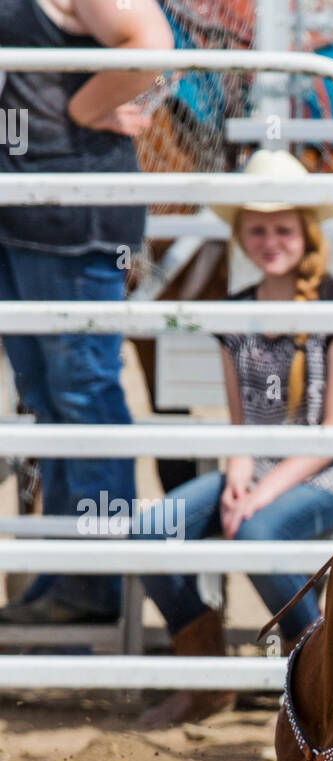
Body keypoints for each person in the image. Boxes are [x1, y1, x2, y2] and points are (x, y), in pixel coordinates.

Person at [134, 148, 333, 729]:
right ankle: (207, 673)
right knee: (149, 529)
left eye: (283, 228)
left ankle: (317, 670)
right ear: (242, 237)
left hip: (330, 474)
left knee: (260, 532)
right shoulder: (235, 312)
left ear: (305, 233)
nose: (271, 240)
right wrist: (239, 470)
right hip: (260, 469)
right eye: (258, 229)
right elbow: (240, 417)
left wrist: (262, 494)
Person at [0, 0, 173, 624]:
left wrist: (82, 109)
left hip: (71, 216)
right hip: (23, 213)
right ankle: (67, 569)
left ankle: (96, 577)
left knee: (84, 393)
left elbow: (150, 44)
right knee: (48, 397)